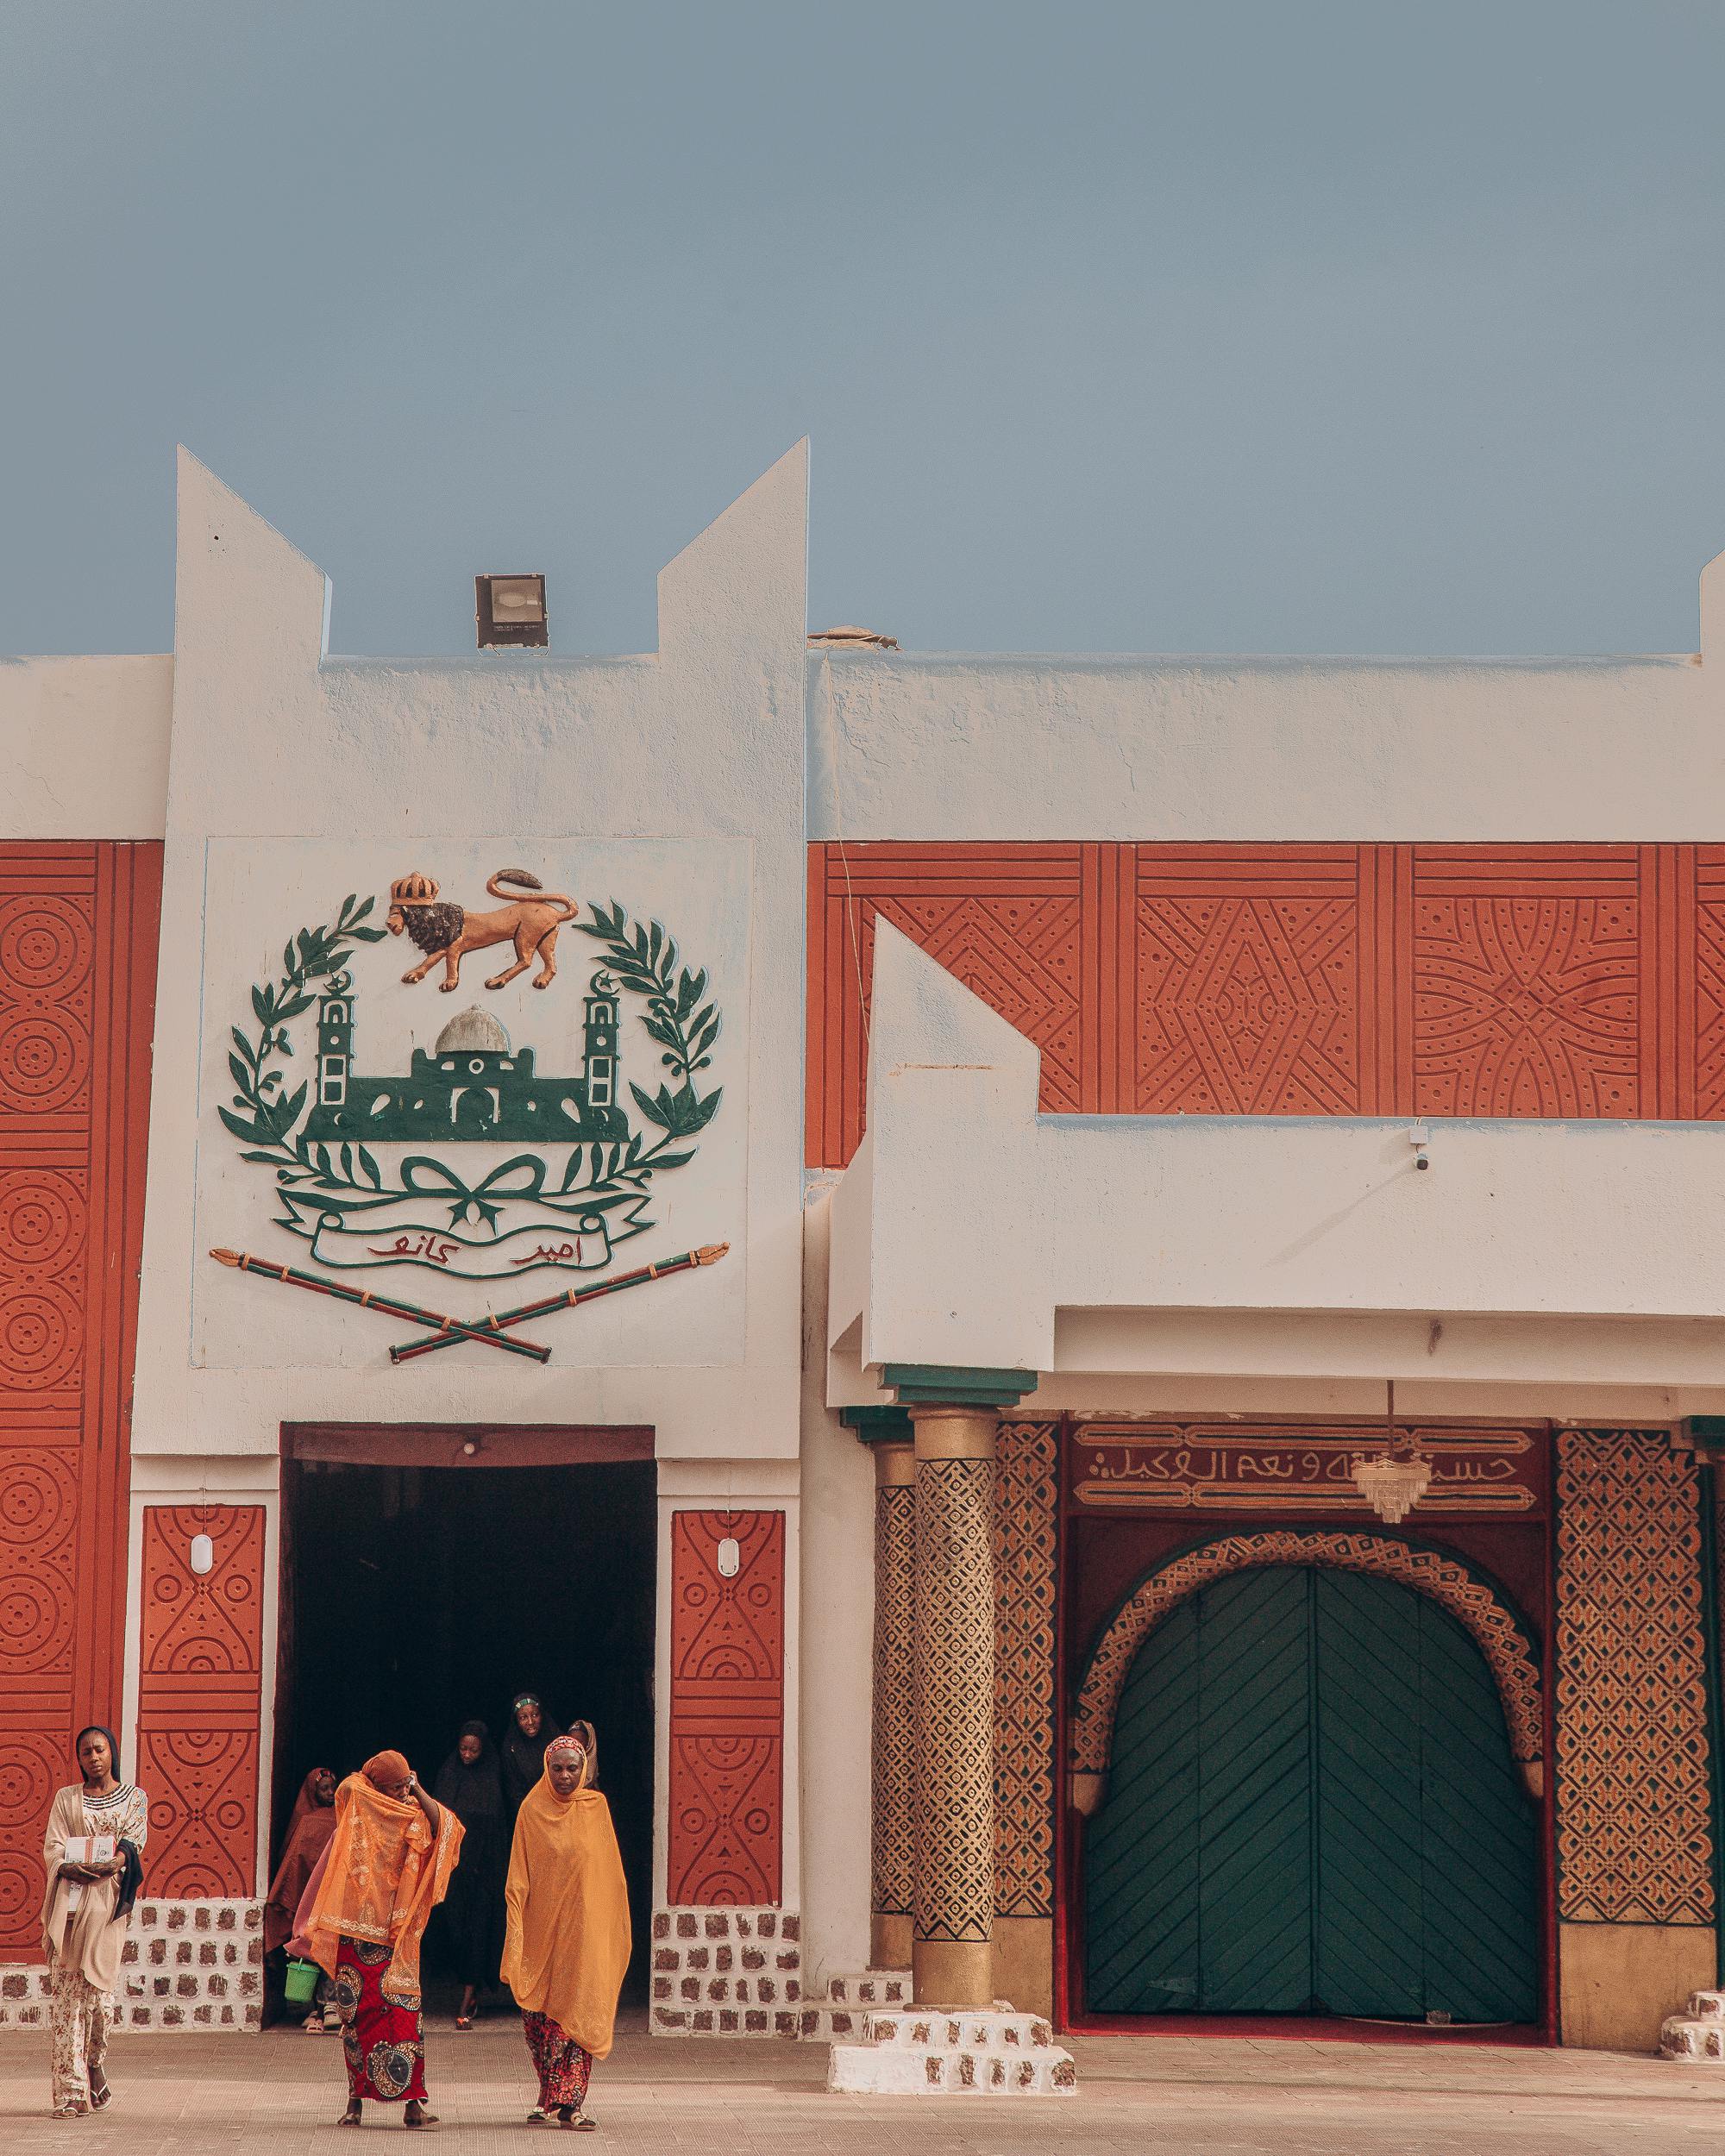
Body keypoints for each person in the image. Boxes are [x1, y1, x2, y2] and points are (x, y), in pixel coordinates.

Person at [290, 1749, 463, 2129]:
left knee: (405, 2018)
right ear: (378, 1786)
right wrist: (377, 1786)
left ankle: (413, 2106)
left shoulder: (413, 1814)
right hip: (355, 1936)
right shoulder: (356, 1811)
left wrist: (417, 1789)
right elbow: (350, 1785)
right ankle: (355, 2103)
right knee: (356, 2020)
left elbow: (447, 1827)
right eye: (396, 1786)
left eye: (406, 1784)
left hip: (396, 1939)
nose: (403, 1792)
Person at [502, 1729, 630, 2132]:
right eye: (556, 1768)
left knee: (575, 2014)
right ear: (546, 1768)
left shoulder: (596, 1808)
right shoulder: (531, 1810)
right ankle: (547, 2093)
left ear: (585, 1769)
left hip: (583, 1934)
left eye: (572, 1768)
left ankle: (571, 2104)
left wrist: (604, 1930)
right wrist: (516, 1926)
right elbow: (518, 1876)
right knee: (538, 2019)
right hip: (541, 1933)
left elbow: (610, 1878)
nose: (564, 1776)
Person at [41, 1726, 148, 2118]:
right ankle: (70, 2091)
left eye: (99, 1750)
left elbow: (132, 1844)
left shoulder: (134, 1798)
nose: (93, 1758)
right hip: (69, 1900)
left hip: (107, 1902)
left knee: (100, 1997)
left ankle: (94, 2059)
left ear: (111, 1752)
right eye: (85, 1752)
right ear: (80, 1759)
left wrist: (110, 1865)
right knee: (69, 1996)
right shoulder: (66, 1799)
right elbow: (53, 1844)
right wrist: (67, 1865)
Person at [430, 1721, 505, 2028]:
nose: (468, 1755)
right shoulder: (449, 1773)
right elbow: (437, 1816)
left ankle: (469, 1993)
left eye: (474, 1750)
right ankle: (465, 1986)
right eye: (463, 1748)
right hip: (454, 1871)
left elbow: (498, 1827)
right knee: (455, 1930)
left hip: (484, 1873)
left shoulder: (492, 1777)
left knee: (478, 1932)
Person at [264, 1767, 339, 2029]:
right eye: (324, 1789)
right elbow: (295, 1861)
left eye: (333, 1788)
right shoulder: (305, 1822)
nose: (331, 1794)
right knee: (308, 1950)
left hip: (328, 1897)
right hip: (308, 1897)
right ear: (312, 1791)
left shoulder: (341, 1819)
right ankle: (315, 2009)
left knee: (326, 1949)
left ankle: (327, 2006)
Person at [500, 1694, 564, 1815]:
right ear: (516, 1721)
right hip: (530, 1813)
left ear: (542, 1715)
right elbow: (514, 1791)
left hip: (561, 1809)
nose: (530, 1722)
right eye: (523, 1717)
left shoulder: (557, 1741)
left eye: (535, 1715)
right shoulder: (511, 1749)